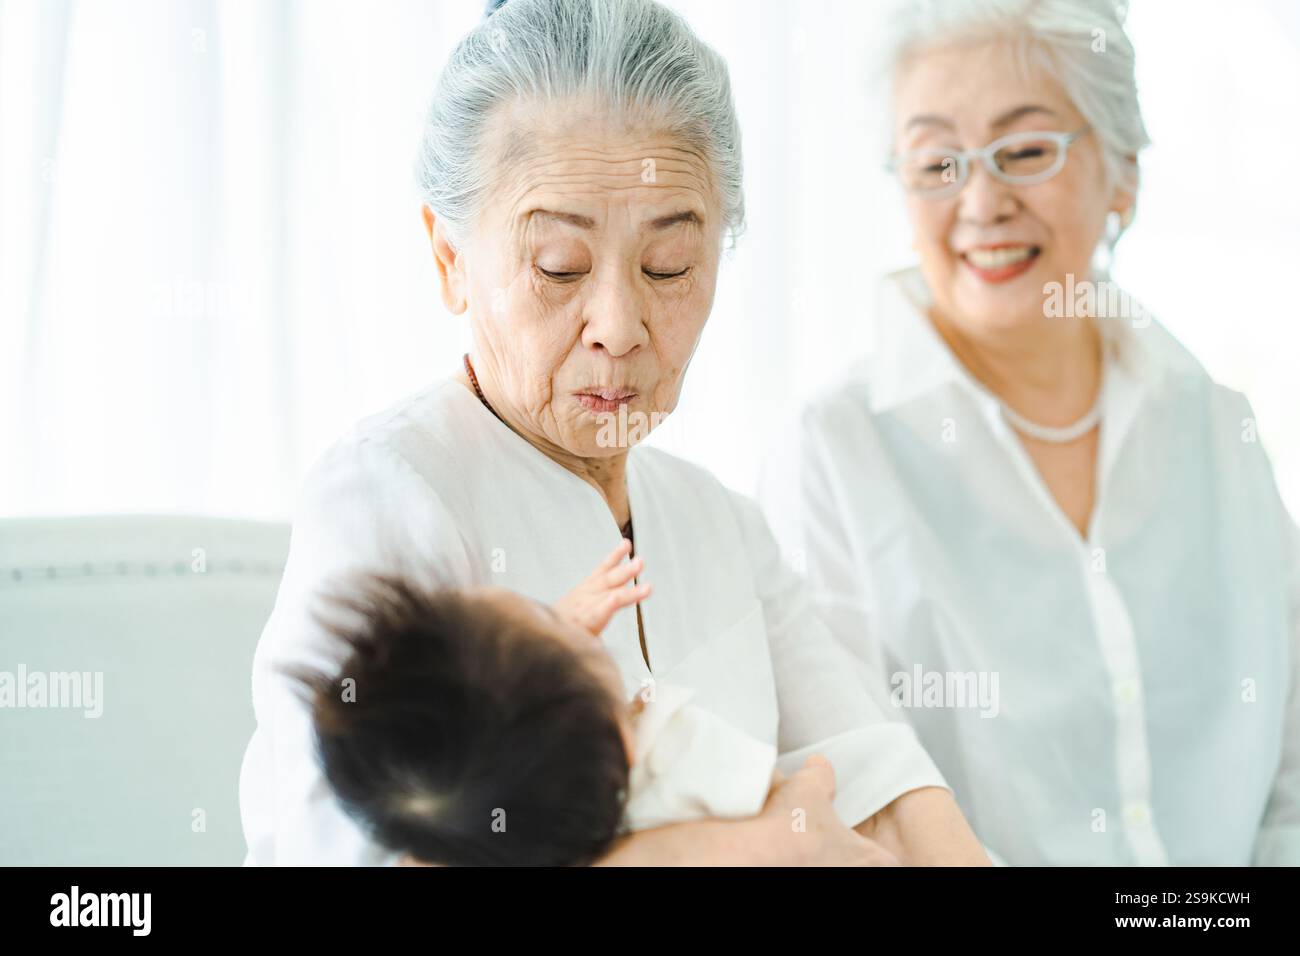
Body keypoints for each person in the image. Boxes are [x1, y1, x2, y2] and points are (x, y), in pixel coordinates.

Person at [238, 0, 988, 865]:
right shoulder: (391, 493)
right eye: (558, 265)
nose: (620, 326)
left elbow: (876, 773)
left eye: (668, 264)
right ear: (450, 261)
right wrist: (737, 848)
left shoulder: (718, 522)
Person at [761, 0, 1300, 865]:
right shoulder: (834, 451)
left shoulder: (1216, 425)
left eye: (1025, 151)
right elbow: (854, 807)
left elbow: (1291, 781)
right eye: (937, 162)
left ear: (1123, 173)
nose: (980, 201)